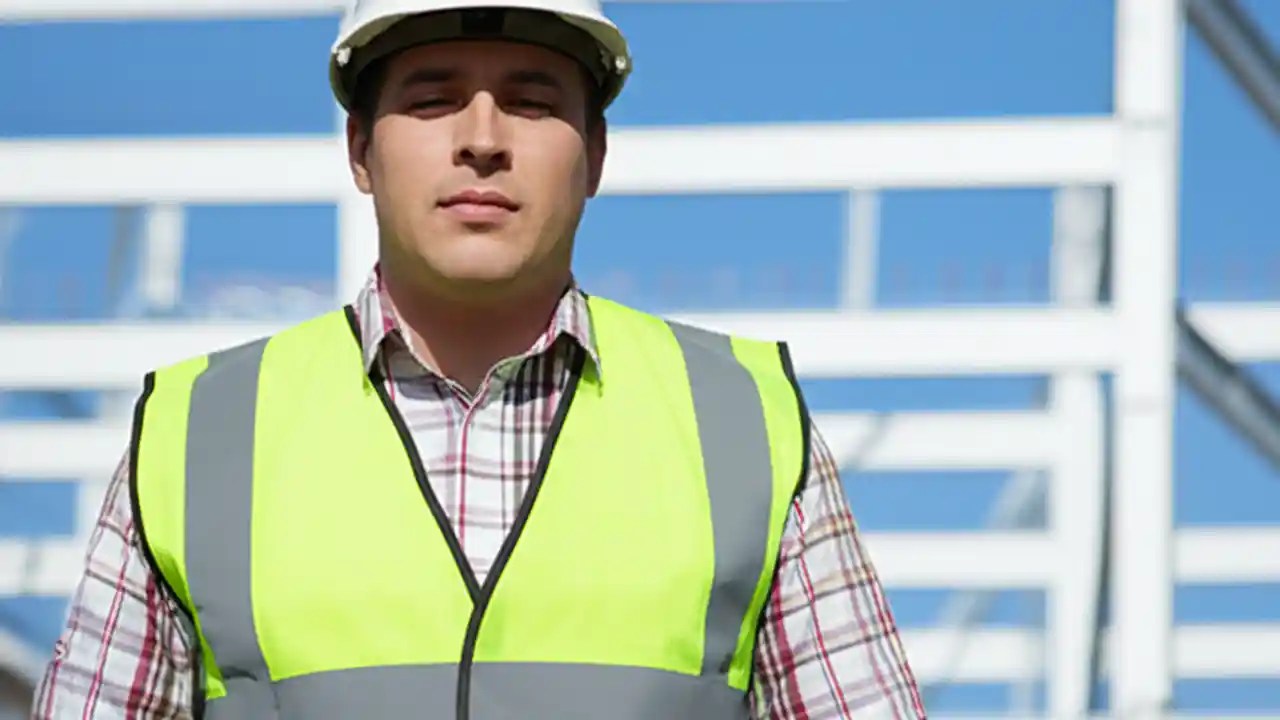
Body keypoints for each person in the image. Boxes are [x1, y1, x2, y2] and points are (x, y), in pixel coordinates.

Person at [32, 0, 925, 718]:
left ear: (597, 155)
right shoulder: (197, 437)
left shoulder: (744, 422)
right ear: (359, 152)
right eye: (431, 99)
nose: (484, 137)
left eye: (533, 101)